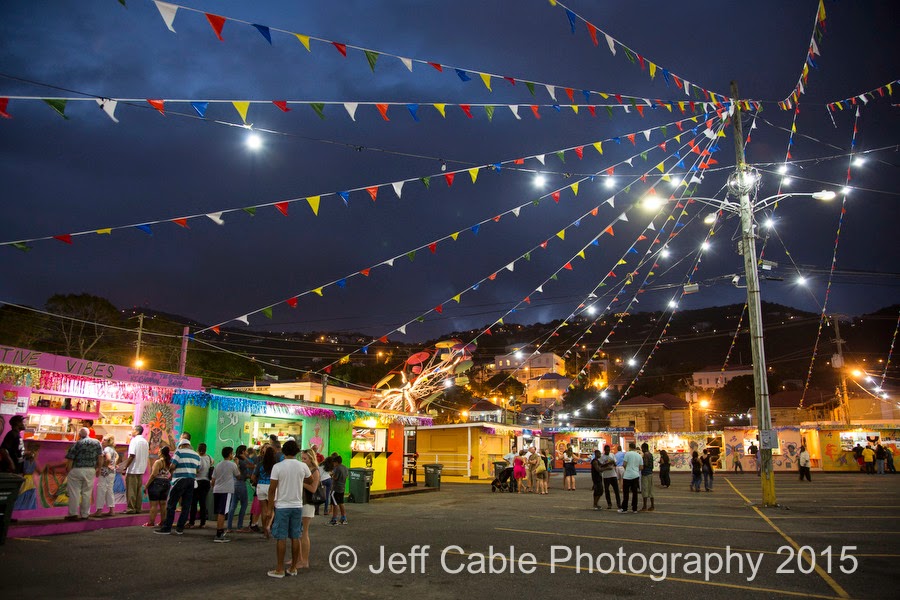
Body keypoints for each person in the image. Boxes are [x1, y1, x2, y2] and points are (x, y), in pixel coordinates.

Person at [267, 440, 312, 578]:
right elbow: (310, 480)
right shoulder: (302, 466)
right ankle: (293, 568)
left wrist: (270, 509)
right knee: (295, 536)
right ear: (297, 452)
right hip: (297, 506)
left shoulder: (278, 467)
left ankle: (280, 569)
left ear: (284, 452)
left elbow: (272, 489)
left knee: (281, 538)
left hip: (282, 506)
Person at [156, 433, 200, 534]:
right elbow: (197, 469)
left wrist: (170, 472)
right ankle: (180, 528)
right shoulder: (196, 455)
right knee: (186, 505)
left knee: (171, 504)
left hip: (180, 480)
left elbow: (172, 466)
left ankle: (167, 528)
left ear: (181, 445)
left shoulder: (179, 452)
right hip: (191, 481)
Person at [64, 427, 103, 521]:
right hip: (90, 469)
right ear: (89, 433)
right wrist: (99, 469)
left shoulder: (77, 443)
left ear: (79, 435)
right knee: (87, 492)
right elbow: (100, 456)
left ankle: (73, 514)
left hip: (77, 469)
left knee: (74, 492)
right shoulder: (97, 443)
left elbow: (70, 458)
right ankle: (85, 514)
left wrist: (68, 470)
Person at [118, 424, 150, 514]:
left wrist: (125, 467)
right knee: (138, 490)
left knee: (131, 490)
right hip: (141, 469)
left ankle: (131, 508)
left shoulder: (134, 441)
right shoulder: (145, 441)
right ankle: (138, 508)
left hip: (133, 468)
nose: (131, 431)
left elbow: (132, 455)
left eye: (132, 430)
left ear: (136, 431)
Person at [299, 449, 322, 569]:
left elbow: (313, 489)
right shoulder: (305, 469)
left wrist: (301, 483)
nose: (303, 461)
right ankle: (298, 558)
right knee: (297, 532)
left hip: (308, 502)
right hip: (301, 501)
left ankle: (304, 560)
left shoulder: (315, 471)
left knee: (304, 532)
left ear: (311, 459)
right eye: (302, 458)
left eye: (305, 459)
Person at [211, 446, 239, 542]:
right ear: (230, 454)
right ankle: (219, 534)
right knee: (222, 513)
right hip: (226, 491)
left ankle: (219, 532)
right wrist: (236, 463)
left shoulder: (218, 465)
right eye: (232, 453)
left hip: (217, 490)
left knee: (220, 512)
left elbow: (213, 479)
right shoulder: (232, 465)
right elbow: (238, 475)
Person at [144, 446, 172, 527]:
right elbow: (171, 474)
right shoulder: (169, 462)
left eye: (159, 451)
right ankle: (163, 522)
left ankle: (151, 522)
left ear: (161, 453)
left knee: (154, 504)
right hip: (166, 483)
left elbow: (154, 475)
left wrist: (146, 485)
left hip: (156, 483)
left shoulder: (158, 462)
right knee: (163, 504)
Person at [228, 444, 252, 532]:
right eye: (246, 451)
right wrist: (246, 458)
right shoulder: (242, 461)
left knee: (233, 505)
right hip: (241, 483)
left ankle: (229, 527)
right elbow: (252, 465)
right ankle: (239, 526)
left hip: (234, 484)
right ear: (242, 452)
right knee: (244, 504)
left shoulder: (236, 460)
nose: (247, 453)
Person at [253, 444, 276, 538]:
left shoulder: (260, 464)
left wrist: (257, 482)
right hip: (271, 486)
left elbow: (253, 477)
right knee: (271, 509)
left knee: (263, 510)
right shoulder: (276, 465)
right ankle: (268, 526)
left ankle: (264, 532)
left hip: (260, 486)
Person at [188, 442, 213, 528]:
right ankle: (203, 523)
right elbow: (212, 464)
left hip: (197, 482)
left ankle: (192, 522)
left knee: (194, 503)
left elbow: (196, 471)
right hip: (206, 482)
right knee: (203, 503)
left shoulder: (196, 458)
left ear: (197, 449)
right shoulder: (209, 457)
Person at [94, 434, 118, 517]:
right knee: (109, 490)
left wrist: (105, 465)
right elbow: (116, 457)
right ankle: (112, 510)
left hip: (105, 472)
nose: (102, 441)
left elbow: (108, 458)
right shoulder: (112, 449)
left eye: (104, 440)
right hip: (112, 473)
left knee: (101, 490)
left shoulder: (107, 449)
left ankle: (99, 510)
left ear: (108, 442)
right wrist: (113, 465)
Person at [618, 443, 642, 514]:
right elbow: (641, 467)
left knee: (626, 493)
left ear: (629, 447)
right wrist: (636, 470)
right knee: (635, 493)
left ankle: (624, 508)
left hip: (627, 476)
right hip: (636, 475)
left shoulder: (627, 454)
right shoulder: (639, 455)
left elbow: (624, 464)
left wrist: (628, 469)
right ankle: (634, 509)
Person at [329, 454, 349, 525]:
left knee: (335, 504)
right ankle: (344, 518)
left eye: (334, 462)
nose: (333, 464)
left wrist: (331, 475)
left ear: (336, 462)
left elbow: (335, 478)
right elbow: (346, 476)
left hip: (335, 488)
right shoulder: (345, 468)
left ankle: (334, 519)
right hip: (342, 488)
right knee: (341, 503)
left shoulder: (337, 468)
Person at [599, 445, 620, 509]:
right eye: (607, 450)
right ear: (604, 450)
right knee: (607, 490)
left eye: (609, 450)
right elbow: (601, 465)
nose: (608, 451)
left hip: (613, 475)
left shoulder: (612, 455)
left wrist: (613, 462)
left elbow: (615, 464)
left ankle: (619, 503)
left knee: (616, 490)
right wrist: (607, 464)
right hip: (606, 476)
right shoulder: (602, 457)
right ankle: (609, 503)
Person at [640, 442, 655, 512]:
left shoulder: (645, 455)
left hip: (645, 474)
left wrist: (640, 465)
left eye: (642, 448)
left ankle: (644, 506)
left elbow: (645, 464)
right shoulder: (651, 454)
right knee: (651, 490)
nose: (641, 450)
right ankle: (652, 506)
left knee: (645, 490)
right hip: (650, 473)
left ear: (644, 448)